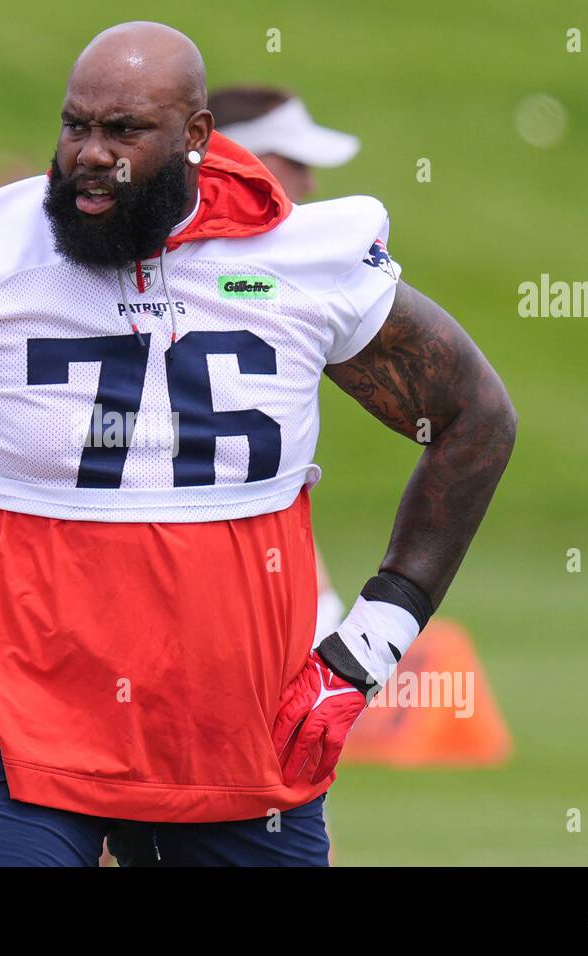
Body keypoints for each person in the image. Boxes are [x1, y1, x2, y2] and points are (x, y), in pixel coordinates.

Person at [0, 23, 516, 865]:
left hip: (236, 743)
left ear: (197, 137)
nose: (90, 154)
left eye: (123, 131)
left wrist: (374, 640)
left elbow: (475, 418)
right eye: (75, 125)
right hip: (13, 740)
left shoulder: (301, 257)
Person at [209, 86, 364, 643]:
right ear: (249, 161)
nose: (311, 183)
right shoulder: (295, 277)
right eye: (296, 163)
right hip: (250, 591)